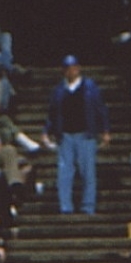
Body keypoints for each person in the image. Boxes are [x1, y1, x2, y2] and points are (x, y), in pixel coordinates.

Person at [42, 56, 111, 215]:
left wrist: (105, 131)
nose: (70, 71)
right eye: (67, 68)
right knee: (64, 173)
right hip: (65, 135)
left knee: (88, 173)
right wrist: (46, 132)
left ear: (78, 69)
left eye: (73, 68)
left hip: (86, 135)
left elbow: (100, 109)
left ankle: (88, 206)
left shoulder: (90, 87)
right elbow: (52, 114)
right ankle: (65, 206)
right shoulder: (59, 90)